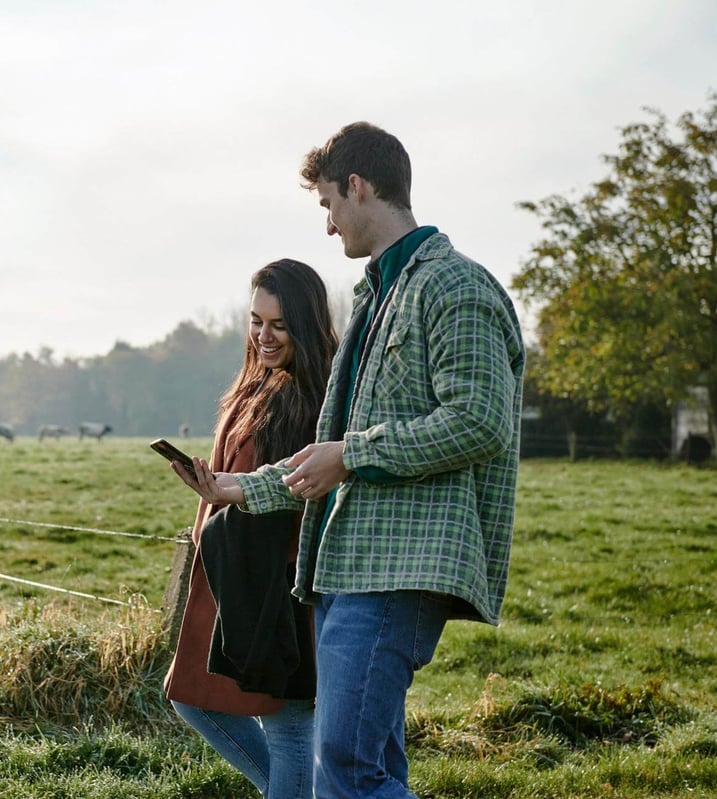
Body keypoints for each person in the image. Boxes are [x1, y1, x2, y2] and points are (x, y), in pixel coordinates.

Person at [177, 122, 526, 799]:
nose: (330, 225)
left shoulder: (453, 287)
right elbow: (325, 458)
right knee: (366, 769)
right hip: (345, 568)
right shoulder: (375, 297)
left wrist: (353, 455)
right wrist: (237, 489)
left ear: (358, 187)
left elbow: (478, 421)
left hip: (397, 569)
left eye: (329, 204)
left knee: (346, 774)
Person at [163, 258, 338, 799]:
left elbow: (297, 489)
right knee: (191, 697)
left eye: (279, 325)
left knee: (286, 726)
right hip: (228, 575)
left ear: (305, 326)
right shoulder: (253, 387)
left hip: (279, 586)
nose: (263, 335)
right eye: (256, 320)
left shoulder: (314, 399)